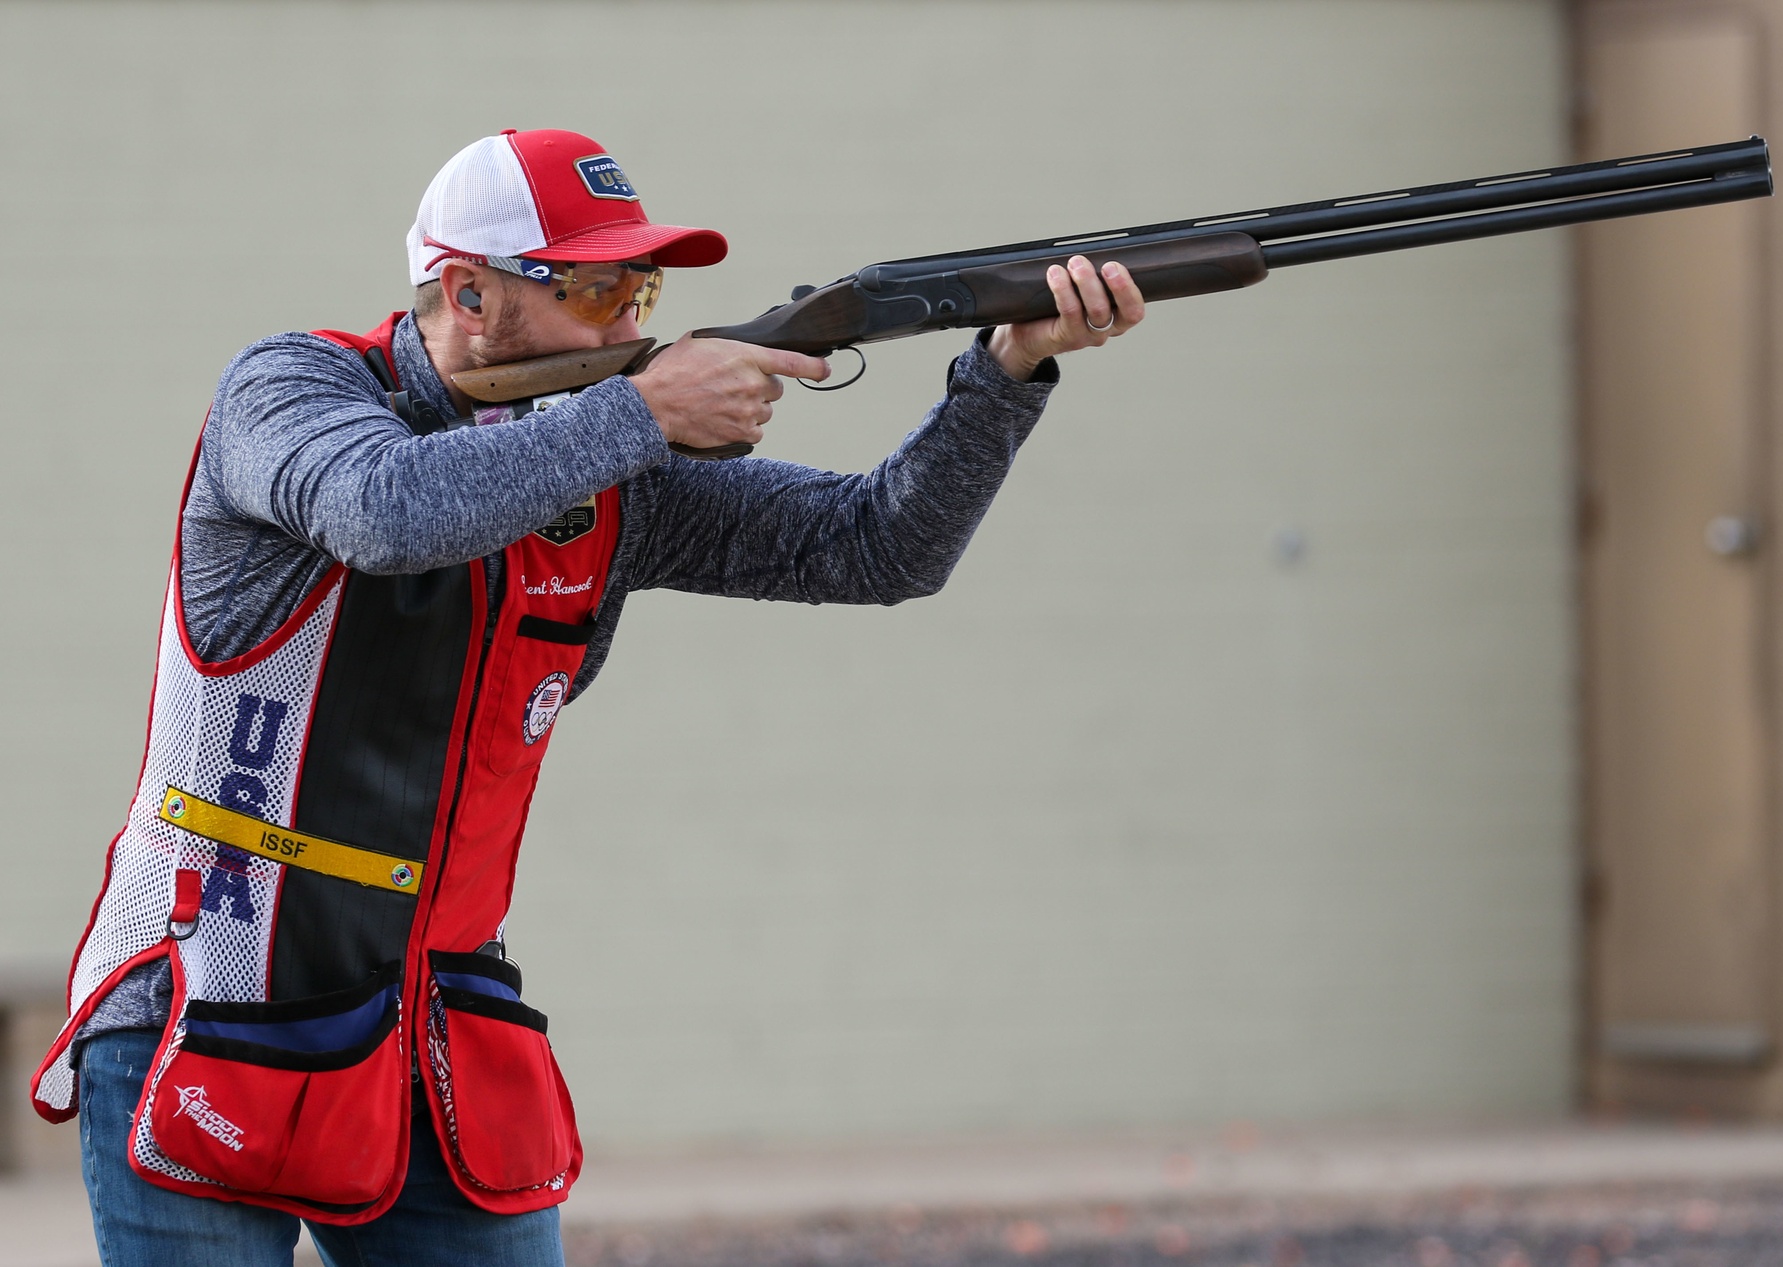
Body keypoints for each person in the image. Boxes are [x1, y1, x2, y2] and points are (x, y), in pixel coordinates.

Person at [29, 128, 1144, 1267]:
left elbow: (877, 547)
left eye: (643, 286)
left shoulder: (611, 466)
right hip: (207, 998)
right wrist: (641, 415)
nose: (631, 322)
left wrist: (1004, 373)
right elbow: (384, 514)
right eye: (599, 286)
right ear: (466, 292)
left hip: (437, 1024)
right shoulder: (291, 387)